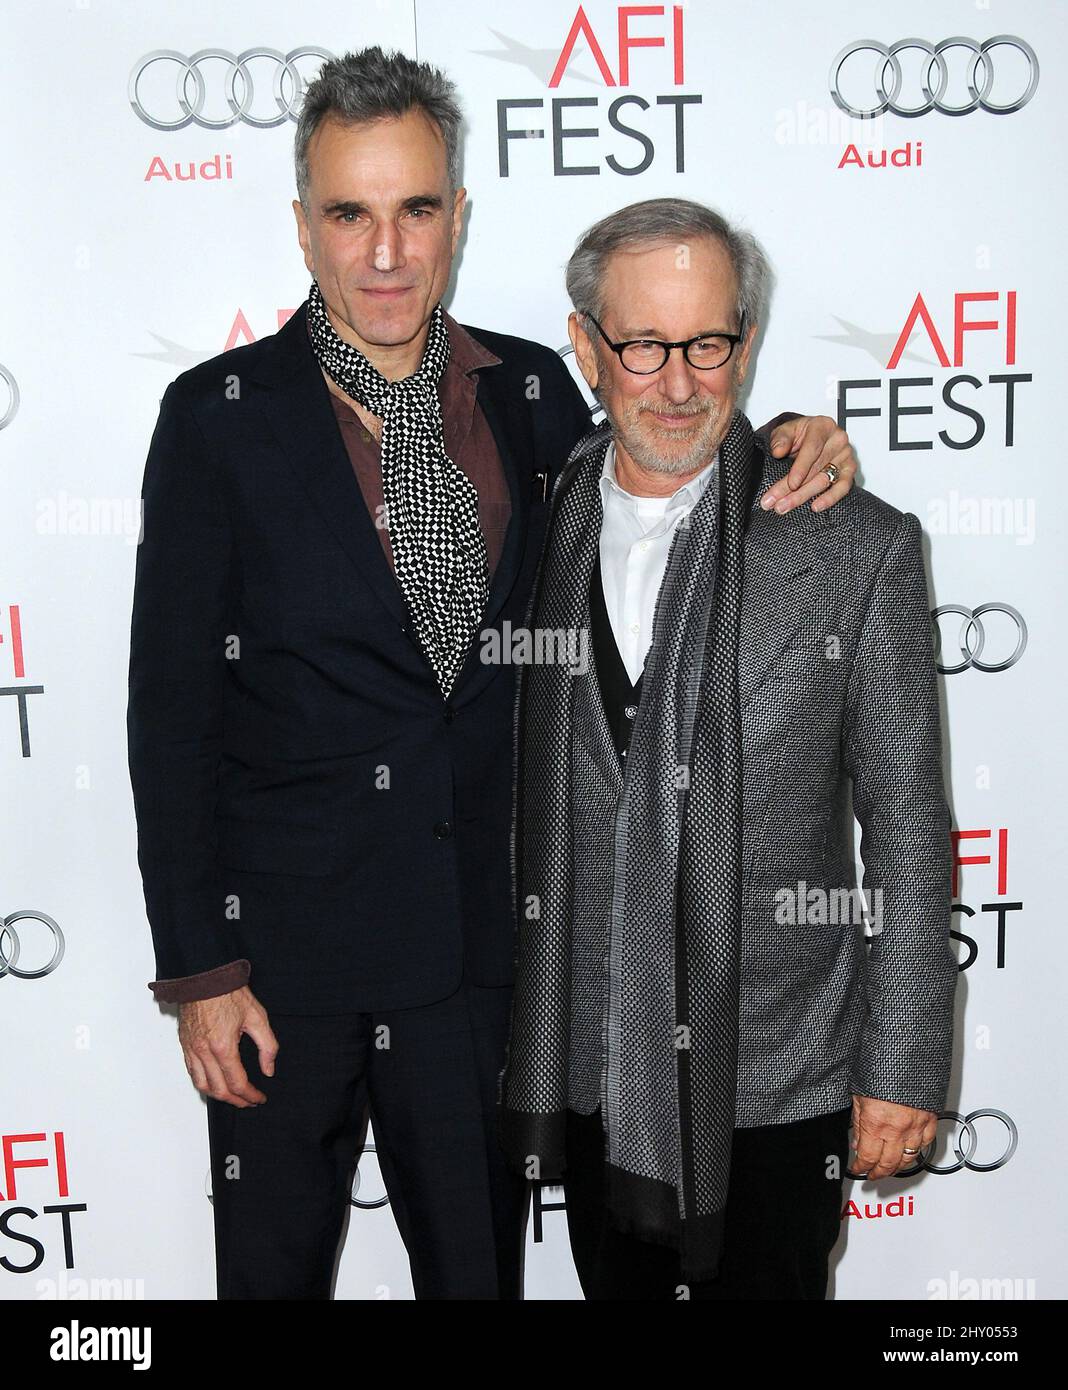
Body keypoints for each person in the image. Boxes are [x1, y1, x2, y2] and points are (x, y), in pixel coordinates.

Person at [127, 50, 858, 1301]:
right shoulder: (219, 417)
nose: (386, 253)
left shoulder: (525, 393)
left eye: (416, 209)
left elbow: (665, 445)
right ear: (304, 226)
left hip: (479, 970)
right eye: (350, 214)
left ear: (458, 215)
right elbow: (171, 714)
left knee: (479, 1287)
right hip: (281, 974)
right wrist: (202, 974)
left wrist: (787, 436)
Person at [498, 197, 957, 1300]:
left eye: (709, 342)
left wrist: (901, 1064)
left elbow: (904, 823)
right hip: (597, 1065)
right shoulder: (528, 519)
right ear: (586, 348)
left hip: (779, 1081)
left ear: (745, 344)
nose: (679, 380)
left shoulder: (858, 546)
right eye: (643, 344)